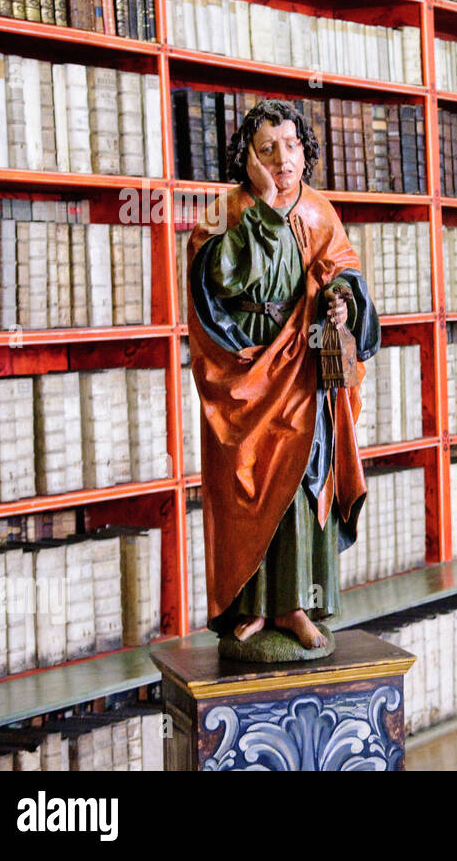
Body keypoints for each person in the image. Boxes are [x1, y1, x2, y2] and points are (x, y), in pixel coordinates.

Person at [187, 99, 380, 652]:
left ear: (305, 150)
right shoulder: (225, 211)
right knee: (243, 486)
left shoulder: (321, 211)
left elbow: (343, 270)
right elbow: (218, 277)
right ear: (247, 157)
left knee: (298, 483)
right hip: (245, 370)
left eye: (291, 146)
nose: (282, 158)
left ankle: (296, 605)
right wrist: (266, 206)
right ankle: (247, 609)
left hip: (302, 372)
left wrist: (342, 299)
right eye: (267, 149)